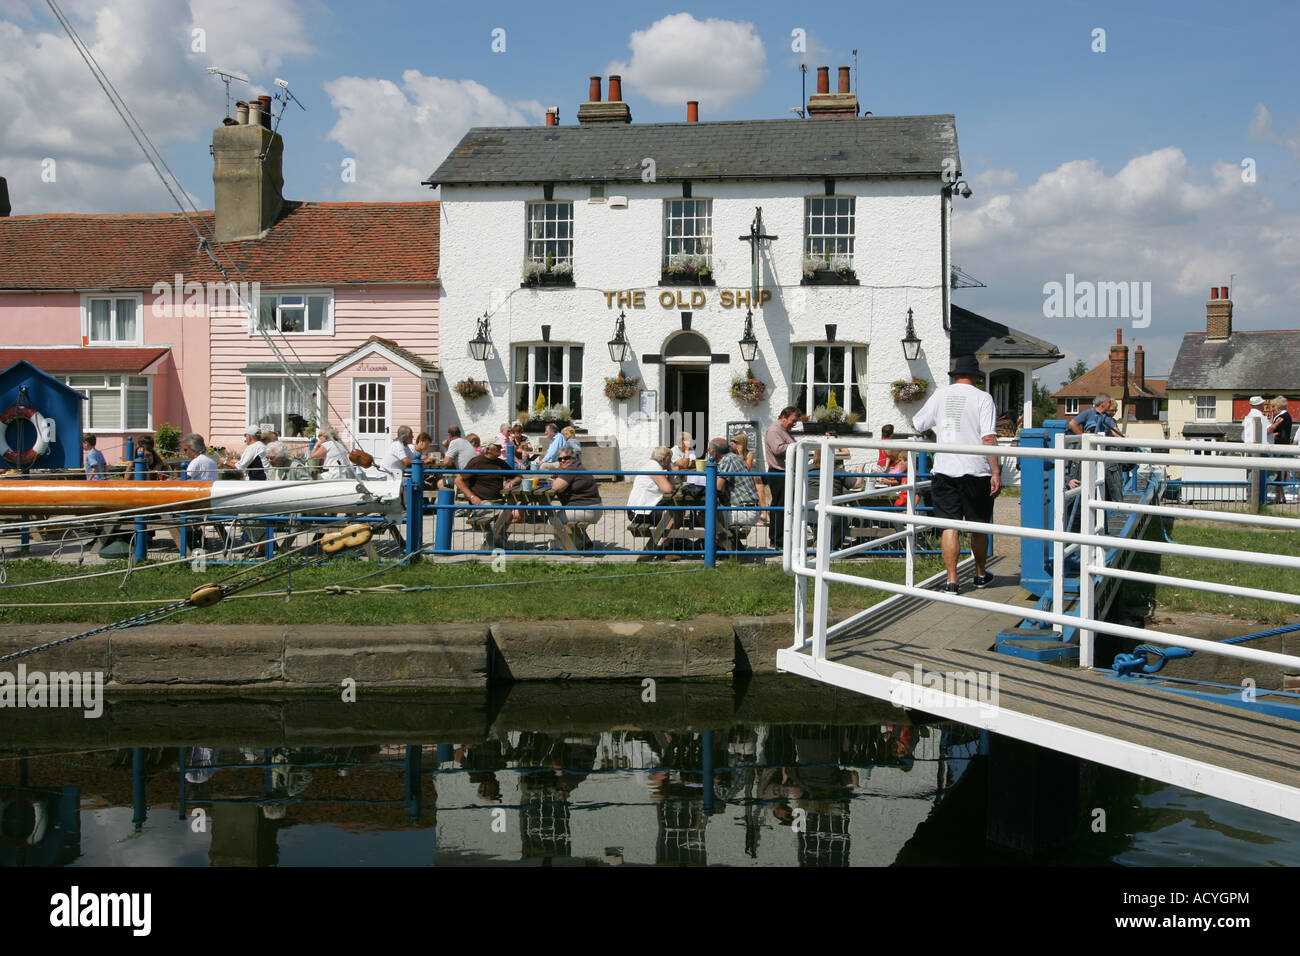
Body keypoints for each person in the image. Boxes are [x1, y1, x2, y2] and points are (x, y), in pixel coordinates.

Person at [910, 355, 999, 593]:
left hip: (945, 468)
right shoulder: (983, 398)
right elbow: (988, 438)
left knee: (949, 526)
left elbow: (916, 424)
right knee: (978, 526)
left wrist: (938, 438)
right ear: (976, 377)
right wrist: (996, 471)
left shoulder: (940, 395)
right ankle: (980, 575)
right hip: (976, 470)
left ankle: (952, 580)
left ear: (956, 375)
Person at [454, 442, 523, 547]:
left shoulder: (500, 463)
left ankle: (495, 538)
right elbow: (458, 480)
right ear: (488, 449)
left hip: (499, 501)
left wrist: (511, 482)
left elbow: (518, 476)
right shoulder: (477, 462)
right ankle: (494, 540)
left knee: (520, 514)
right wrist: (472, 497)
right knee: (508, 514)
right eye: (497, 446)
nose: (500, 448)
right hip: (483, 503)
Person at [550, 446, 602, 549]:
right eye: (560, 459)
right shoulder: (578, 467)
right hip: (594, 508)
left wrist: (554, 480)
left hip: (587, 510)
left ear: (573, 458)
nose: (563, 461)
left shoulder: (571, 469)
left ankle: (569, 544)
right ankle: (584, 542)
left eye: (566, 458)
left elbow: (556, 487)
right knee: (565, 515)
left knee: (553, 519)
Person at [764, 406, 801, 548]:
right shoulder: (774, 430)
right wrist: (797, 446)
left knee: (783, 506)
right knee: (779, 506)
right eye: (792, 420)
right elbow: (778, 449)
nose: (794, 423)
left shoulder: (783, 430)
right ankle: (777, 540)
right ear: (783, 417)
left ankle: (781, 538)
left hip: (784, 473)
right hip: (778, 473)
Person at [711, 437, 762, 531]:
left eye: (709, 450)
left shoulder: (727, 459)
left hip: (744, 511)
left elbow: (716, 488)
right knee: (708, 513)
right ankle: (724, 542)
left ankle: (724, 543)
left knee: (706, 515)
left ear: (714, 453)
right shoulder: (733, 457)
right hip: (748, 509)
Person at [626, 446, 677, 534]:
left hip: (641, 508)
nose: (671, 462)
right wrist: (671, 471)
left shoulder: (652, 465)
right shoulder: (654, 467)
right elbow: (668, 489)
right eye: (669, 460)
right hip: (639, 511)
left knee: (675, 513)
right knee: (672, 517)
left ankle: (670, 542)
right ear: (663, 460)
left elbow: (670, 488)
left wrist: (669, 471)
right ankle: (663, 545)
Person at [1268, 396, 1293, 503]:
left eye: (1273, 406)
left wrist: (1273, 435)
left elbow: (1281, 434)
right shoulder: (1282, 416)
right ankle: (1280, 495)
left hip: (1279, 446)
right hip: (1281, 446)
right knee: (1278, 471)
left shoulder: (1283, 417)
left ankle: (1280, 496)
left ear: (1278, 406)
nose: (1272, 409)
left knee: (1278, 471)